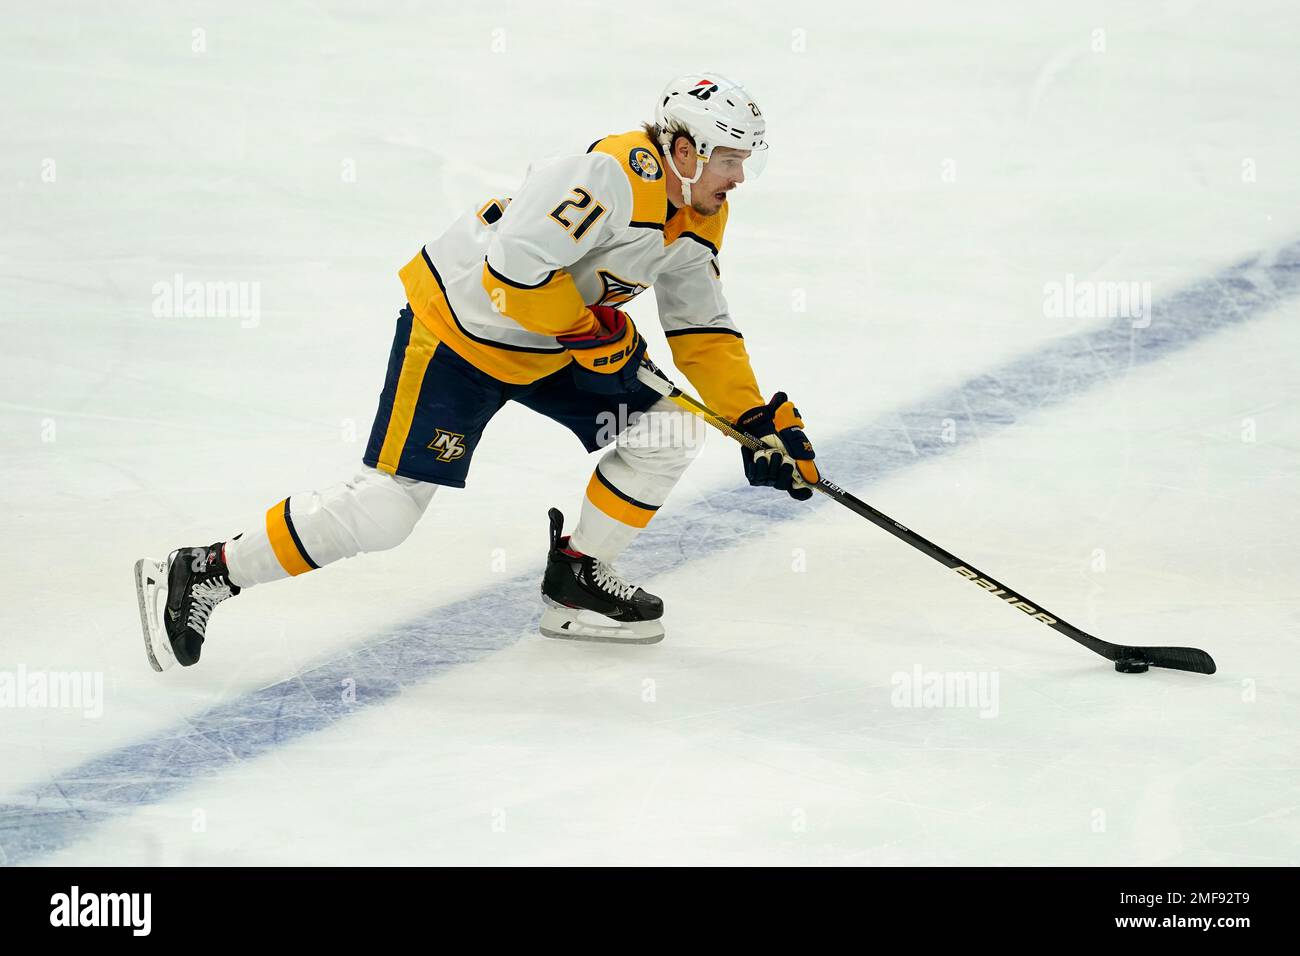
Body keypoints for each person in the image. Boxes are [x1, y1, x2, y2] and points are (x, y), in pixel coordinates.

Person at [133, 72, 820, 669]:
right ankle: (205, 572)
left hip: (552, 347)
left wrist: (756, 422)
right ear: (683, 150)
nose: (737, 179)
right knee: (384, 512)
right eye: (729, 160)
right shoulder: (610, 175)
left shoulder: (701, 213)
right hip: (462, 331)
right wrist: (587, 331)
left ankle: (577, 578)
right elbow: (511, 272)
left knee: (669, 432)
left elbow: (701, 331)